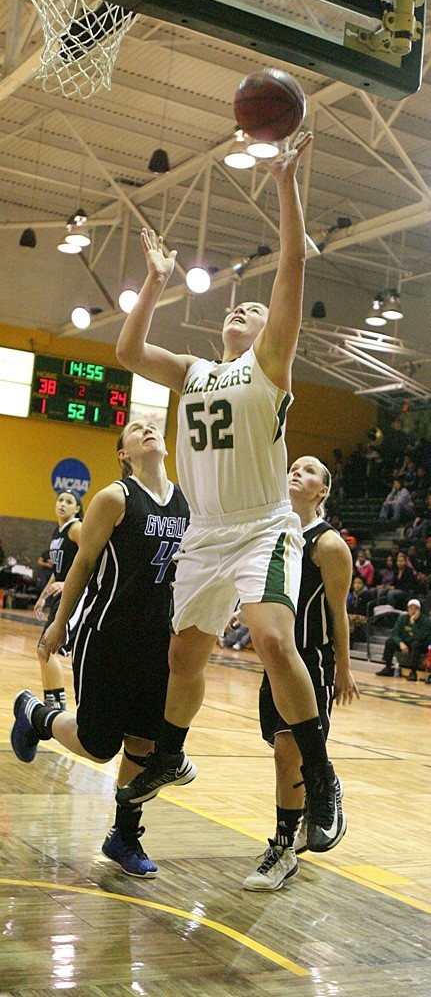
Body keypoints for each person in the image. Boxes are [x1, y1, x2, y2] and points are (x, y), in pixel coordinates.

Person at [114, 131, 347, 855]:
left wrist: (283, 183)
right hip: (205, 533)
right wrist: (154, 281)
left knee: (276, 640)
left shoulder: (269, 364)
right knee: (185, 657)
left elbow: (291, 270)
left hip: (260, 528)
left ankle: (321, 779)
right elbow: (126, 354)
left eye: (252, 309)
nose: (240, 311)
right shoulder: (194, 371)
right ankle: (170, 753)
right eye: (233, 308)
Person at [10, 418, 190, 878]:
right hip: (108, 636)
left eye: (152, 425)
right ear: (124, 453)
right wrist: (60, 622)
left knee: (143, 743)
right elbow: (84, 564)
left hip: (159, 642)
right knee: (97, 746)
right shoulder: (115, 497)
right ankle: (37, 714)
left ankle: (124, 835)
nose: (147, 428)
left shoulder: (188, 503)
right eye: (135, 428)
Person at [243, 456, 359, 890]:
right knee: (277, 746)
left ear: (322, 491)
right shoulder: (270, 532)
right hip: (275, 657)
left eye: (310, 471)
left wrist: (343, 667)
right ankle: (320, 777)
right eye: (293, 466)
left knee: (286, 752)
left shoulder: (329, 546)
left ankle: (283, 847)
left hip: (312, 659)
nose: (297, 471)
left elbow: (338, 611)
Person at [33, 490, 83, 710]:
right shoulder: (58, 532)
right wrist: (43, 596)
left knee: (48, 648)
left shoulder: (76, 528)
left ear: (77, 509)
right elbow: (57, 571)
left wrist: (66, 584)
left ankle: (59, 704)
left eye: (69, 501)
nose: (63, 504)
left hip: (74, 595)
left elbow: (93, 557)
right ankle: (50, 700)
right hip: (59, 596)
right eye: (60, 500)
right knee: (42, 649)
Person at [375, 598, 431, 680]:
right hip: (405, 642)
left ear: (419, 610)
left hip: (420, 644)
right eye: (410, 608)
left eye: (415, 608)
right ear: (407, 609)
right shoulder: (402, 618)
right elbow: (396, 633)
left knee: (416, 644)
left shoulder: (424, 620)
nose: (413, 610)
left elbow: (421, 637)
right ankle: (388, 667)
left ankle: (413, 672)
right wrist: (400, 643)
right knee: (390, 641)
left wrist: (413, 623)